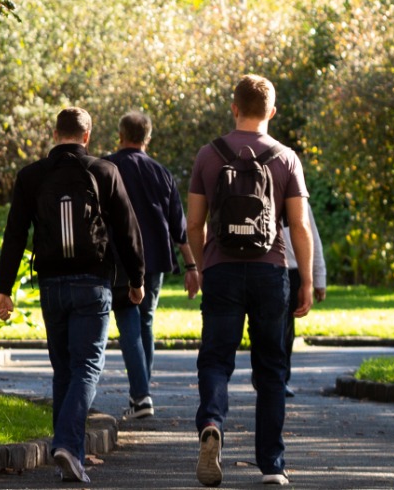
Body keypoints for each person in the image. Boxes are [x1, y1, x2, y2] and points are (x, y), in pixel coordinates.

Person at [0, 107, 147, 484]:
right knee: (88, 367)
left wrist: (4, 289)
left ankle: (71, 456)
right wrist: (137, 279)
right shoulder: (104, 171)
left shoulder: (31, 176)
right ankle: (66, 444)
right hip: (93, 283)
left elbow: (15, 234)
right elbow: (128, 229)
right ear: (87, 136)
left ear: (55, 133)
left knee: (64, 369)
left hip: (51, 284)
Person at [184, 75, 314, 488]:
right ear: (272, 112)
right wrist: (306, 280)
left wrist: (203, 267)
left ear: (234, 108)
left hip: (222, 269)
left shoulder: (209, 155)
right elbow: (299, 227)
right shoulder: (286, 158)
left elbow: (194, 224)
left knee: (216, 359)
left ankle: (211, 423)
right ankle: (272, 465)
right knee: (272, 369)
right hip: (270, 270)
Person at [103, 109, 184, 419]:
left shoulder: (106, 166)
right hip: (155, 256)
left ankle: (141, 394)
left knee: (129, 324)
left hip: (120, 256)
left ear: (120, 135)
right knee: (145, 319)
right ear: (148, 138)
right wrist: (191, 267)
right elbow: (178, 224)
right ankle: (142, 392)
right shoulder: (161, 172)